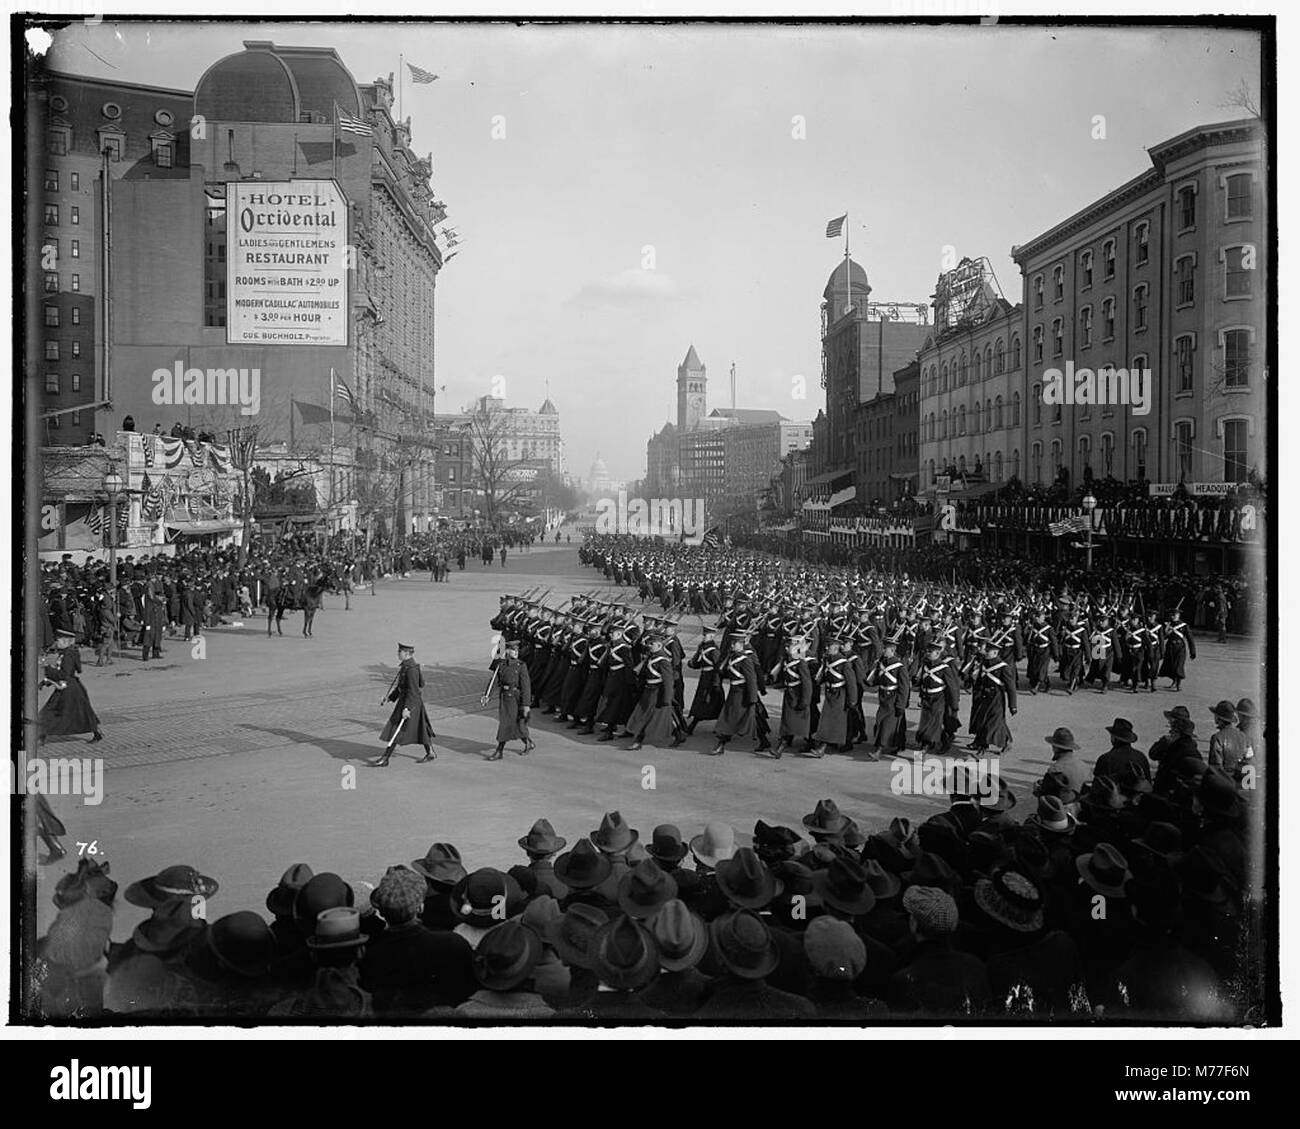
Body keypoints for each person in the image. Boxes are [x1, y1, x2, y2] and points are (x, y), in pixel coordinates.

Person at [374, 643, 437, 767]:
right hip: (407, 703)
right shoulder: (406, 667)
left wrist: (407, 709)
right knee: (421, 728)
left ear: (407, 654)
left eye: (400, 652)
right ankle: (430, 752)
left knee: (397, 729)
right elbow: (400, 688)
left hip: (411, 704)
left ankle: (385, 758)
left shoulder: (412, 670)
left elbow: (414, 691)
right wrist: (389, 698)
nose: (398, 654)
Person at [38, 631, 104, 743]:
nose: (56, 642)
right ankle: (41, 735)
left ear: (65, 641)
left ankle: (41, 735)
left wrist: (47, 669)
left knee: (59, 711)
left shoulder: (68, 654)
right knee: (59, 710)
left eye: (58, 640)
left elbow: (65, 674)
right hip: (69, 687)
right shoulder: (66, 652)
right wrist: (46, 681)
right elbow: (63, 672)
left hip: (69, 689)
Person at [484, 639, 533, 760]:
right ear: (507, 651)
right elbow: (494, 681)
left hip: (516, 698)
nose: (515, 652)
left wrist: (526, 704)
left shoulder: (521, 666)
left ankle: (499, 751)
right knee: (515, 723)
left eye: (517, 650)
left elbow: (526, 686)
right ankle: (529, 742)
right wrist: (487, 695)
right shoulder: (501, 665)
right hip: (505, 697)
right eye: (512, 650)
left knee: (506, 724)